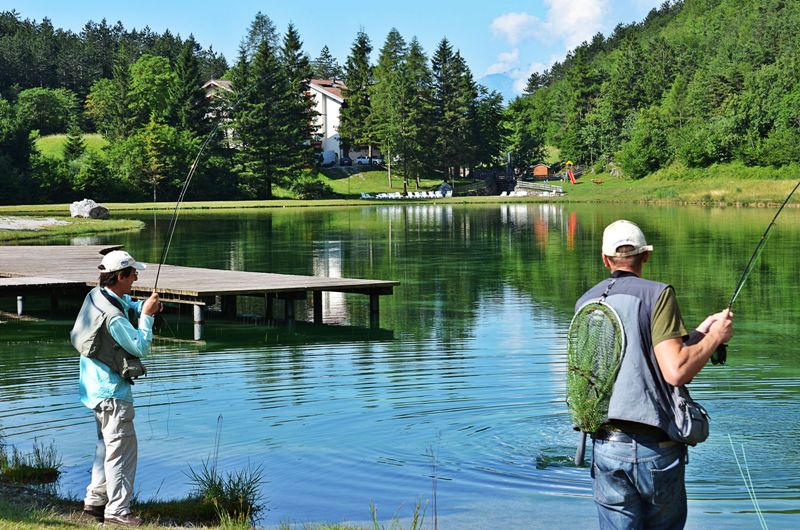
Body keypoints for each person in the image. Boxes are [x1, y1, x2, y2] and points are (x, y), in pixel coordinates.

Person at [577, 220, 733, 529]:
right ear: (645, 256)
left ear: (605, 259)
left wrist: (701, 332)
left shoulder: (587, 302)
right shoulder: (657, 294)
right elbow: (675, 371)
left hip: (605, 447)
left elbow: (638, 355)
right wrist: (717, 338)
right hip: (653, 451)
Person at [70, 250, 160, 526]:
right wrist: (147, 317)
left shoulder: (96, 296)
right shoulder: (114, 318)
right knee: (121, 450)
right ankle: (118, 511)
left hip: (93, 389)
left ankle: (95, 502)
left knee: (105, 446)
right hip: (112, 394)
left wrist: (139, 306)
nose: (136, 277)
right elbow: (140, 347)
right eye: (133, 273)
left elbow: (122, 302)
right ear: (119, 276)